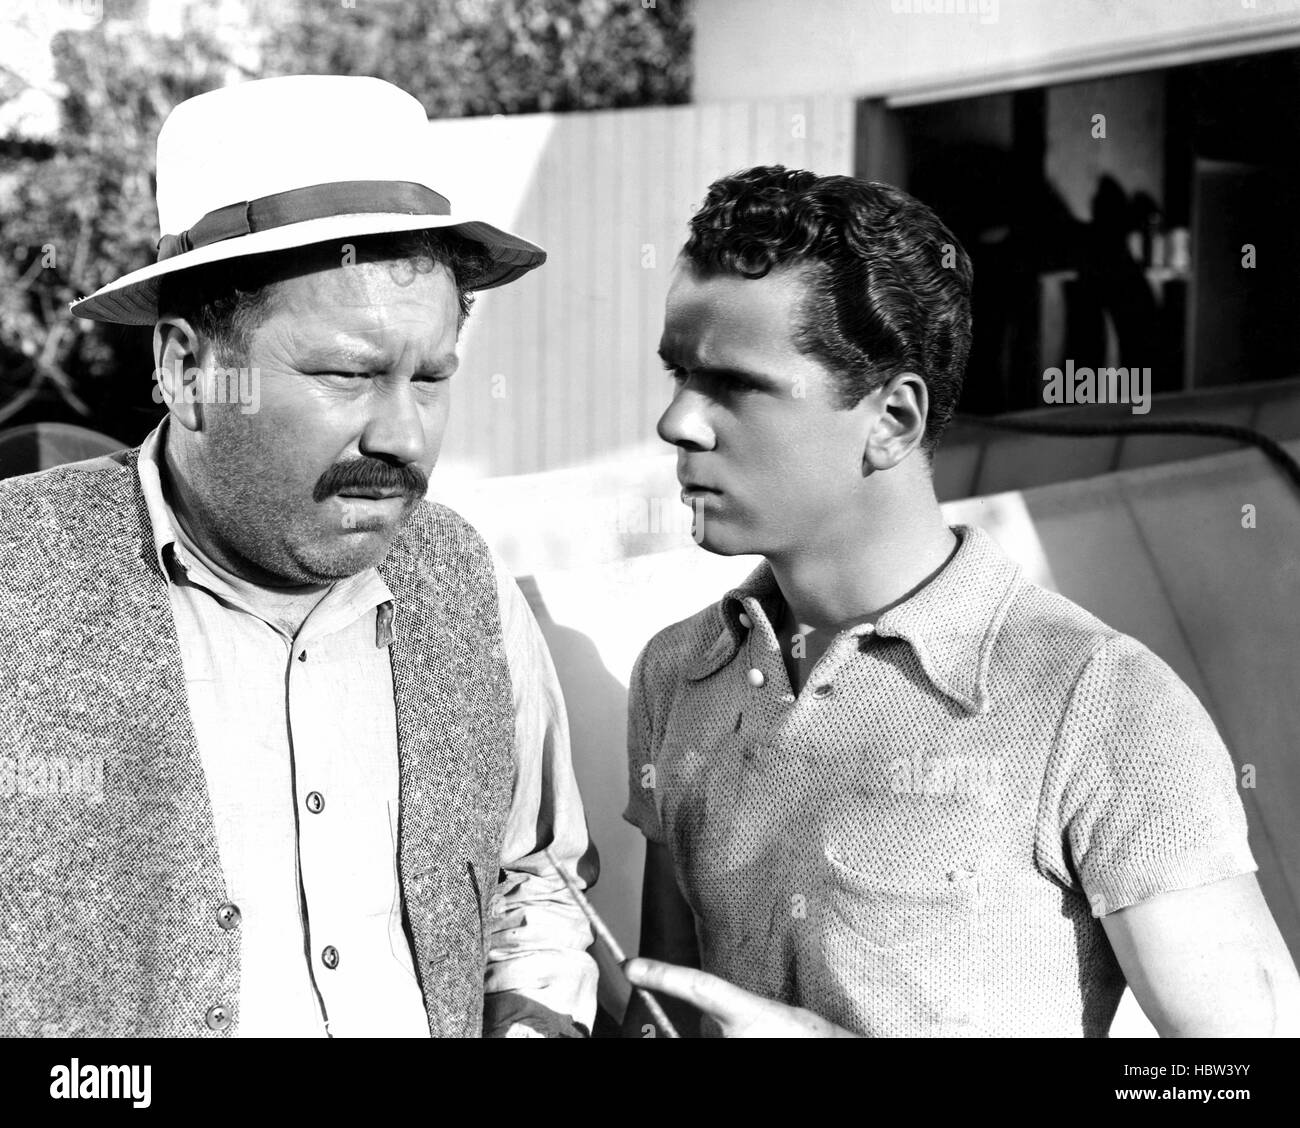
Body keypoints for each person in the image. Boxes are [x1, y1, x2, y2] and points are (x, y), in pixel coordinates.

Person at [621, 165, 1300, 1037]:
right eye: (679, 374)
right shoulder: (678, 675)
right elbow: (664, 1012)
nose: (678, 421)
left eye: (735, 385)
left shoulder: (1102, 705)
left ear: (894, 420)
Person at [0, 75, 597, 1038]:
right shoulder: (13, 581)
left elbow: (533, 882)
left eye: (431, 377)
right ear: (189, 371)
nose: (403, 434)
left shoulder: (464, 581)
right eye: (345, 374)